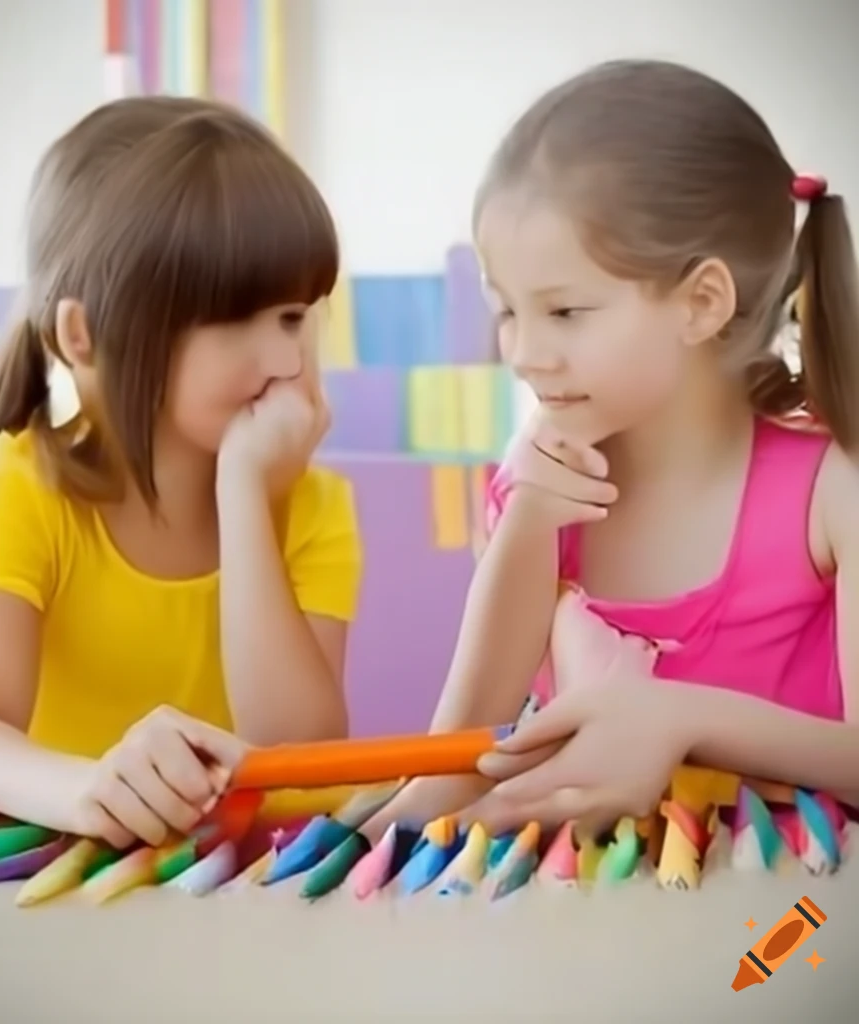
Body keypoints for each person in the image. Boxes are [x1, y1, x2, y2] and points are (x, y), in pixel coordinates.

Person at [366, 59, 859, 841]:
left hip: (788, 921)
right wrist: (526, 523)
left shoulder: (833, 488)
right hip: (589, 907)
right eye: (508, 311)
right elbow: (451, 770)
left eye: (564, 311)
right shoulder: (538, 486)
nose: (524, 352)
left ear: (701, 302)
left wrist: (680, 719)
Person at [0, 96, 363, 850]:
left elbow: (302, 759)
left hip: (246, 893)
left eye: (292, 318)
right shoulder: (6, 491)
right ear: (83, 335)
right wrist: (90, 790)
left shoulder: (312, 505)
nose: (287, 362)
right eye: (232, 321)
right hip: (70, 883)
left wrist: (246, 496)